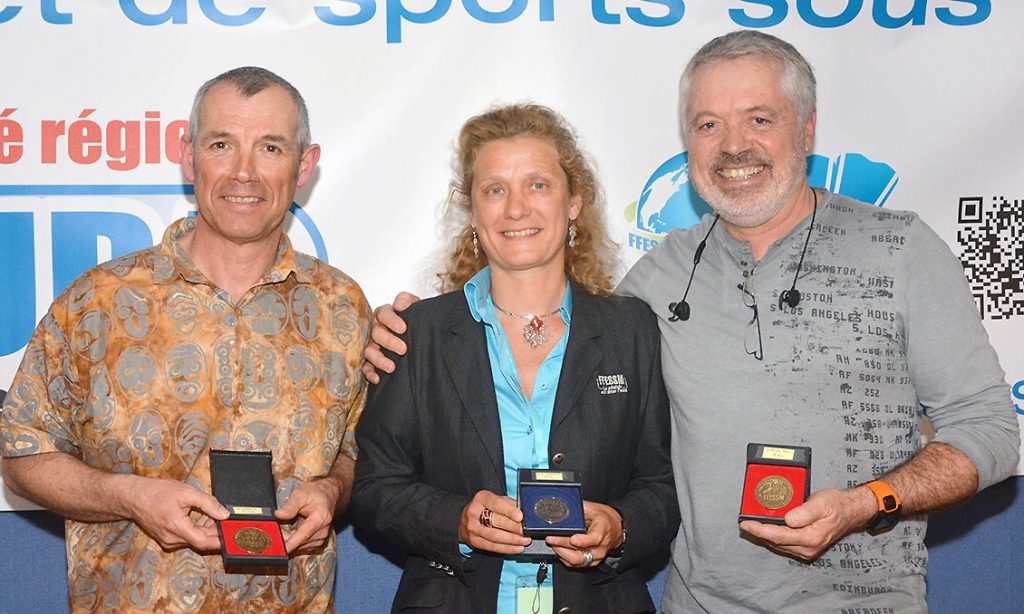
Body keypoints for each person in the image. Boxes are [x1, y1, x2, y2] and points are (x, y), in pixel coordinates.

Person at [361, 32, 1020, 612]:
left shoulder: (901, 248)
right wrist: (397, 330)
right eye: (708, 125)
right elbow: (555, 324)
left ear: (808, 128)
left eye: (759, 118)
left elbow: (991, 430)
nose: (734, 146)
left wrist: (866, 503)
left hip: (864, 605)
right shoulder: (661, 278)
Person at [0, 67, 370, 613]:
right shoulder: (98, 302)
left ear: (304, 165)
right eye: (222, 144)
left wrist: (335, 492)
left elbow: (361, 454)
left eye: (270, 147)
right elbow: (22, 453)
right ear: (187, 154)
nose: (244, 172)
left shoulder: (345, 308)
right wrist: (128, 497)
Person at [349, 104, 678, 613]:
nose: (516, 208)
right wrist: (455, 520)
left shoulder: (632, 329)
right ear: (474, 212)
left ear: (574, 203)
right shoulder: (417, 333)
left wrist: (620, 528)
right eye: (495, 189)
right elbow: (374, 490)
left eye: (538, 185)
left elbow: (662, 486)